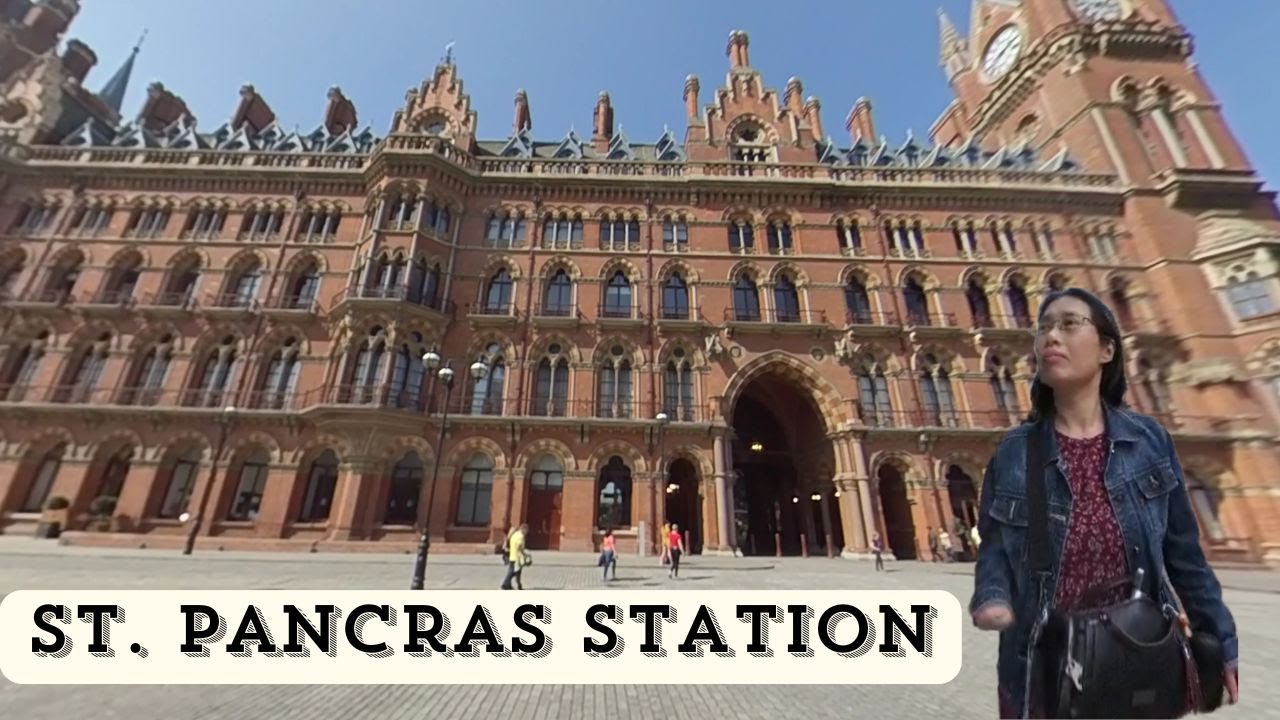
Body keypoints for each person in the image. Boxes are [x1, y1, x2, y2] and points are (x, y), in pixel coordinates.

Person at [970, 287, 1239, 718]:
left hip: (1139, 651)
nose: (1051, 338)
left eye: (1069, 324)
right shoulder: (1016, 451)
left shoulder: (1149, 442)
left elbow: (1185, 555)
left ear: (1107, 349)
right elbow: (996, 550)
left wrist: (1220, 642)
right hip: (1044, 661)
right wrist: (992, 597)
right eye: (1043, 330)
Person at [501, 523, 530, 590]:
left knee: (514, 571)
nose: (526, 533)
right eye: (526, 531)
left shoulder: (514, 535)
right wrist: (525, 554)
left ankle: (512, 585)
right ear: (523, 529)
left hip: (512, 556)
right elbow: (519, 547)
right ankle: (505, 584)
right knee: (514, 572)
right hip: (517, 557)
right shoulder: (520, 536)